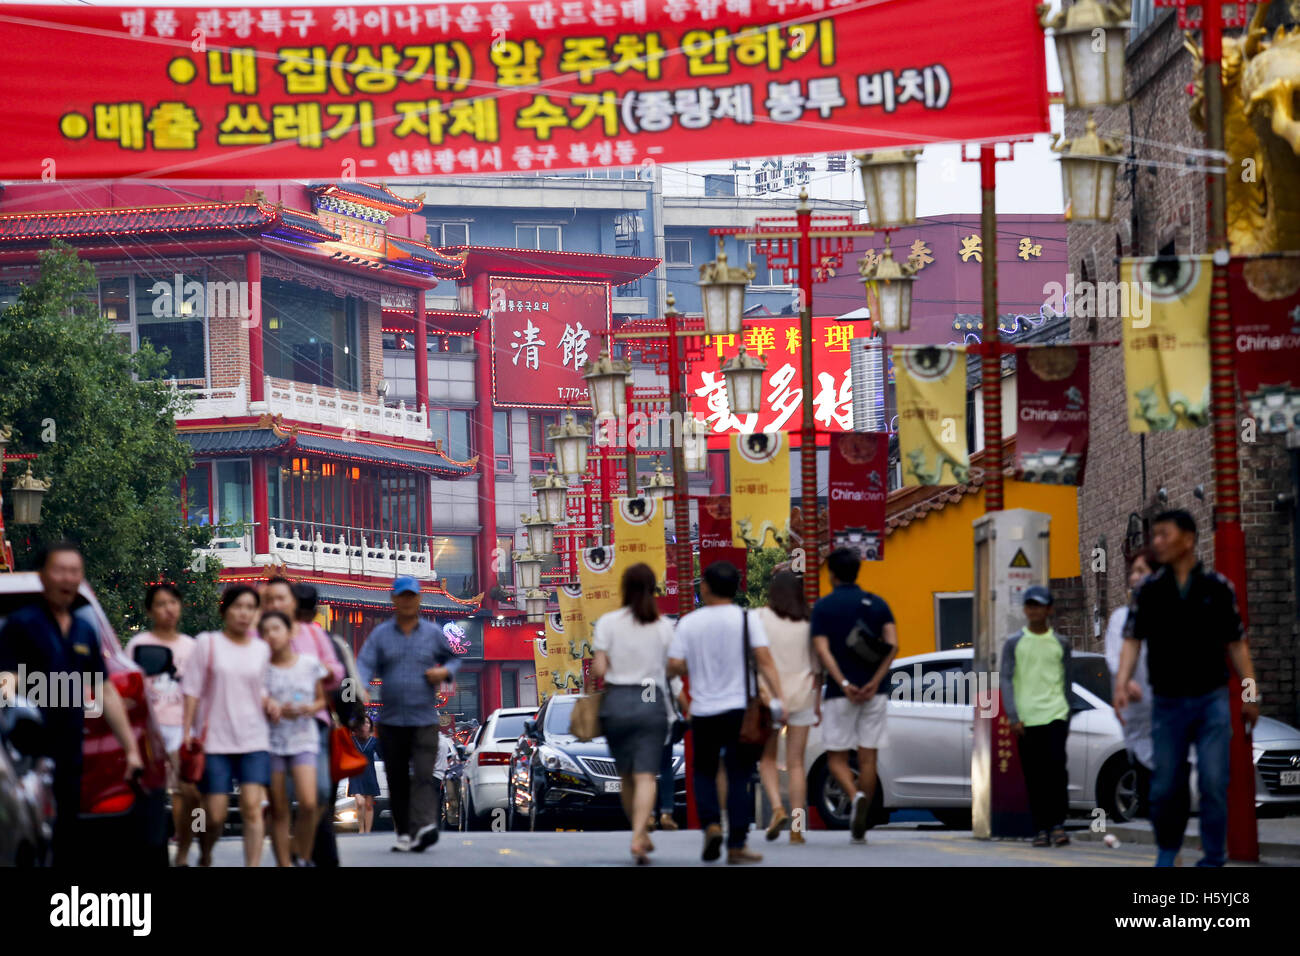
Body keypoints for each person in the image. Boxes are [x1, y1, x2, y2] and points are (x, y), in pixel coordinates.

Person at [1115, 510, 1259, 868]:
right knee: (1165, 785)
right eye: (1155, 535)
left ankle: (1212, 857)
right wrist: (1121, 683)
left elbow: (1238, 646)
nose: (1157, 542)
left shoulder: (1217, 588)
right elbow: (1132, 640)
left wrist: (1250, 694)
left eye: (1165, 535)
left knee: (1212, 782)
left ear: (1189, 539)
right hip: (1166, 703)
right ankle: (1168, 851)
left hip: (1211, 701)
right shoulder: (1149, 591)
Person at [0, 542, 144, 867]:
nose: (67, 578)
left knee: (67, 831)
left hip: (70, 748)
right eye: (59, 570)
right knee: (26, 834)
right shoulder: (22, 624)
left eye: (74, 571)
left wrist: (131, 751)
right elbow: (8, 678)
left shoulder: (84, 629)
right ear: (43, 576)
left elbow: (105, 691)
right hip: (24, 752)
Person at [668, 561, 785, 864]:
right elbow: (765, 660)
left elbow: (674, 666)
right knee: (739, 776)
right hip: (739, 711)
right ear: (736, 588)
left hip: (703, 711)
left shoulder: (689, 623)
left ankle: (711, 825)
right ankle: (736, 845)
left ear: (704, 587)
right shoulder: (747, 619)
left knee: (704, 772)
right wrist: (779, 699)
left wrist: (695, 661)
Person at [355, 576, 461, 853]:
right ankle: (404, 832)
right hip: (390, 720)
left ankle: (425, 825)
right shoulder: (381, 635)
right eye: (402, 596)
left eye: (412, 596)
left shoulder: (432, 633)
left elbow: (454, 657)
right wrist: (362, 686)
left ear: (418, 599)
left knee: (425, 774)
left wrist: (444, 671)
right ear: (393, 600)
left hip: (424, 718)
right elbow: (364, 663)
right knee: (397, 777)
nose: (407, 601)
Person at [181, 585, 275, 867]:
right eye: (238, 606)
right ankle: (206, 852)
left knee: (252, 809)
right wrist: (186, 730)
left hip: (254, 739)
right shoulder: (207, 643)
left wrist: (270, 702)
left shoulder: (261, 649)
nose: (244, 613)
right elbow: (192, 690)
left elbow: (262, 688)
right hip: (215, 742)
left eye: (250, 607)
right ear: (225, 610)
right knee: (215, 814)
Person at [810, 547, 898, 844]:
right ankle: (863, 804)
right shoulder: (878, 604)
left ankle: (854, 795)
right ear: (857, 571)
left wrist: (844, 682)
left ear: (831, 574)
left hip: (839, 694)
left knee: (836, 758)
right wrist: (874, 681)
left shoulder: (823, 608)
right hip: (875, 694)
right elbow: (893, 646)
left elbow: (822, 650)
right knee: (868, 758)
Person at [591, 563, 676, 864]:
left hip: (617, 700)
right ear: (653, 588)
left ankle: (637, 831)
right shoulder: (665, 626)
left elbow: (599, 669)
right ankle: (640, 834)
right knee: (646, 775)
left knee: (626, 774)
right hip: (650, 697)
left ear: (623, 588)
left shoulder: (608, 623)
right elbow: (672, 670)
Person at [125, 582, 199, 865]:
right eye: (160, 604)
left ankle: (183, 845)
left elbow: (198, 691)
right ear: (149, 610)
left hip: (183, 728)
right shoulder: (138, 645)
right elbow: (131, 688)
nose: (168, 609)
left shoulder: (191, 647)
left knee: (188, 791)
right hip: (150, 729)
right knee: (153, 791)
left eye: (172, 602)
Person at [999, 586, 1072, 848]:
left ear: (1049, 609)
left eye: (1039, 605)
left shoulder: (1061, 643)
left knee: (1056, 772)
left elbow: (1067, 680)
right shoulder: (1013, 643)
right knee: (1035, 776)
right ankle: (1040, 828)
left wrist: (1067, 711)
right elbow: (1005, 679)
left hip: (1056, 714)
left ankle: (1058, 825)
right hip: (1027, 719)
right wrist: (1013, 715)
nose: (1033, 610)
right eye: (1029, 605)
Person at [260, 609, 328, 867]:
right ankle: (284, 863)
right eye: (265, 631)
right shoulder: (261, 669)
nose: (271, 635)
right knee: (279, 809)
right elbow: (258, 699)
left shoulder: (309, 664)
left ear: (289, 632)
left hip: (304, 739)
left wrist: (309, 708)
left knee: (310, 803)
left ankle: (303, 854)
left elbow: (321, 699)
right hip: (273, 741)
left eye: (276, 629)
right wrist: (271, 707)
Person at [756, 569, 819, 844]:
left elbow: (754, 658)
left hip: (770, 697)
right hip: (803, 695)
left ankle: (777, 808)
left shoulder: (759, 618)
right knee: (796, 764)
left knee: (767, 759)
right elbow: (817, 669)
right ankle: (797, 827)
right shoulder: (809, 622)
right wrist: (817, 704)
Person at [1104, 549, 1157, 819]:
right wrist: (1124, 683)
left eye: (1142, 571)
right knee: (1144, 765)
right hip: (1137, 708)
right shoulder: (1121, 618)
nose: (1135, 577)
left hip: (1169, 703)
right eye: (1133, 571)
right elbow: (1115, 656)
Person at [349, 715, 381, 833]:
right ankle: (361, 829)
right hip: (355, 774)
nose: (365, 725)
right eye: (363, 723)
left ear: (371, 726)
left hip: (369, 774)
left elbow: (382, 754)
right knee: (360, 802)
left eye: (367, 723)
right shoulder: (352, 740)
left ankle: (367, 831)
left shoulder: (374, 741)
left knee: (368, 805)